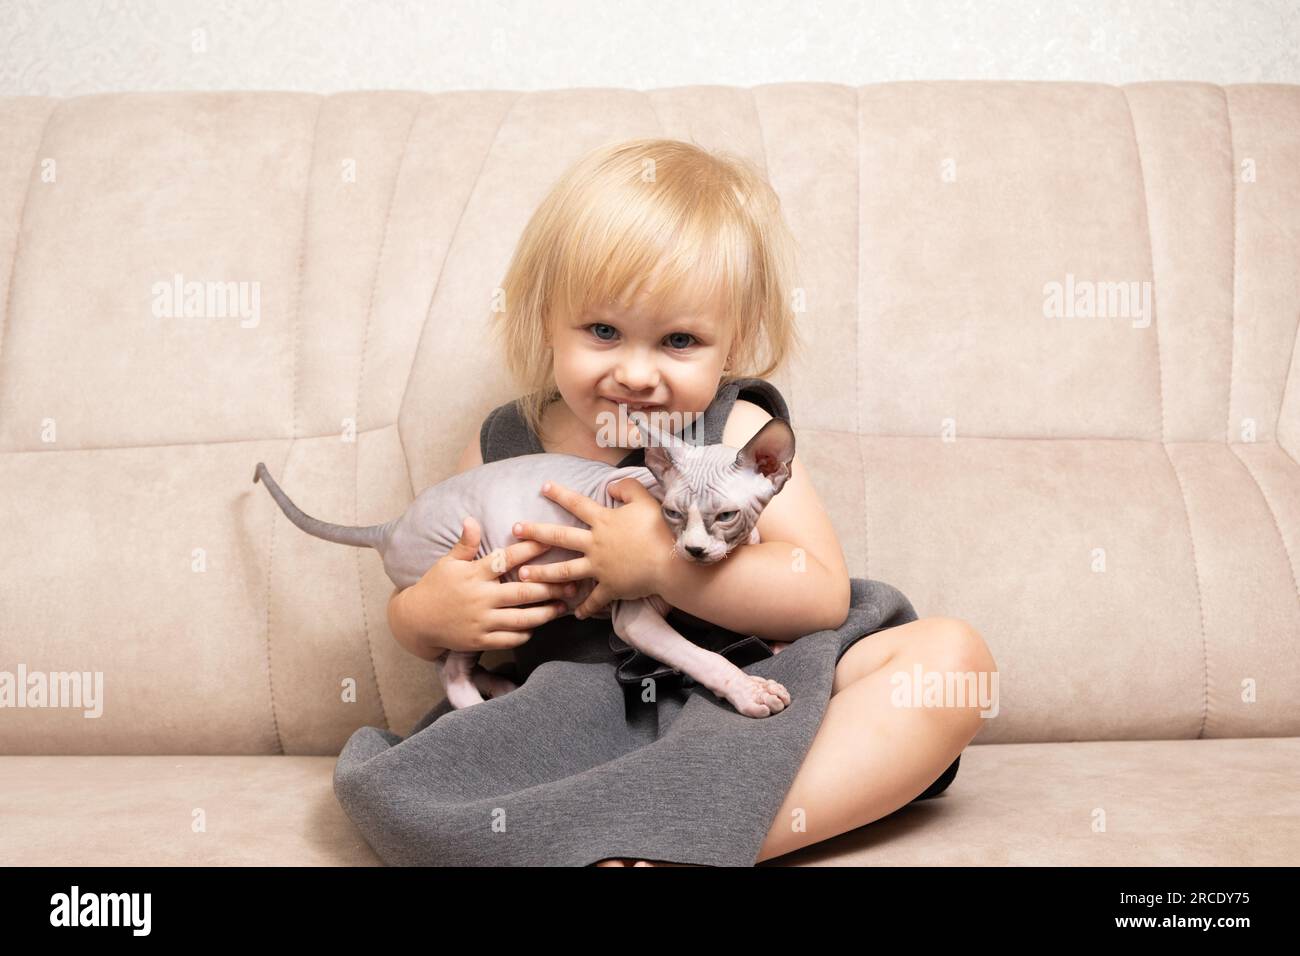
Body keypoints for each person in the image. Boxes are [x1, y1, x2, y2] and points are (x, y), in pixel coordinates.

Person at [334, 137, 998, 867]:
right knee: (392, 790)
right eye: (603, 331)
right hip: (577, 714)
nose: (636, 372)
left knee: (951, 660)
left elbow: (820, 595)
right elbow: (447, 578)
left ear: (731, 344)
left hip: (751, 686)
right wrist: (423, 619)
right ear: (544, 318)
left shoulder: (736, 432)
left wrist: (659, 564)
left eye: (679, 339)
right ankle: (652, 822)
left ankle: (684, 840)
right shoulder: (506, 443)